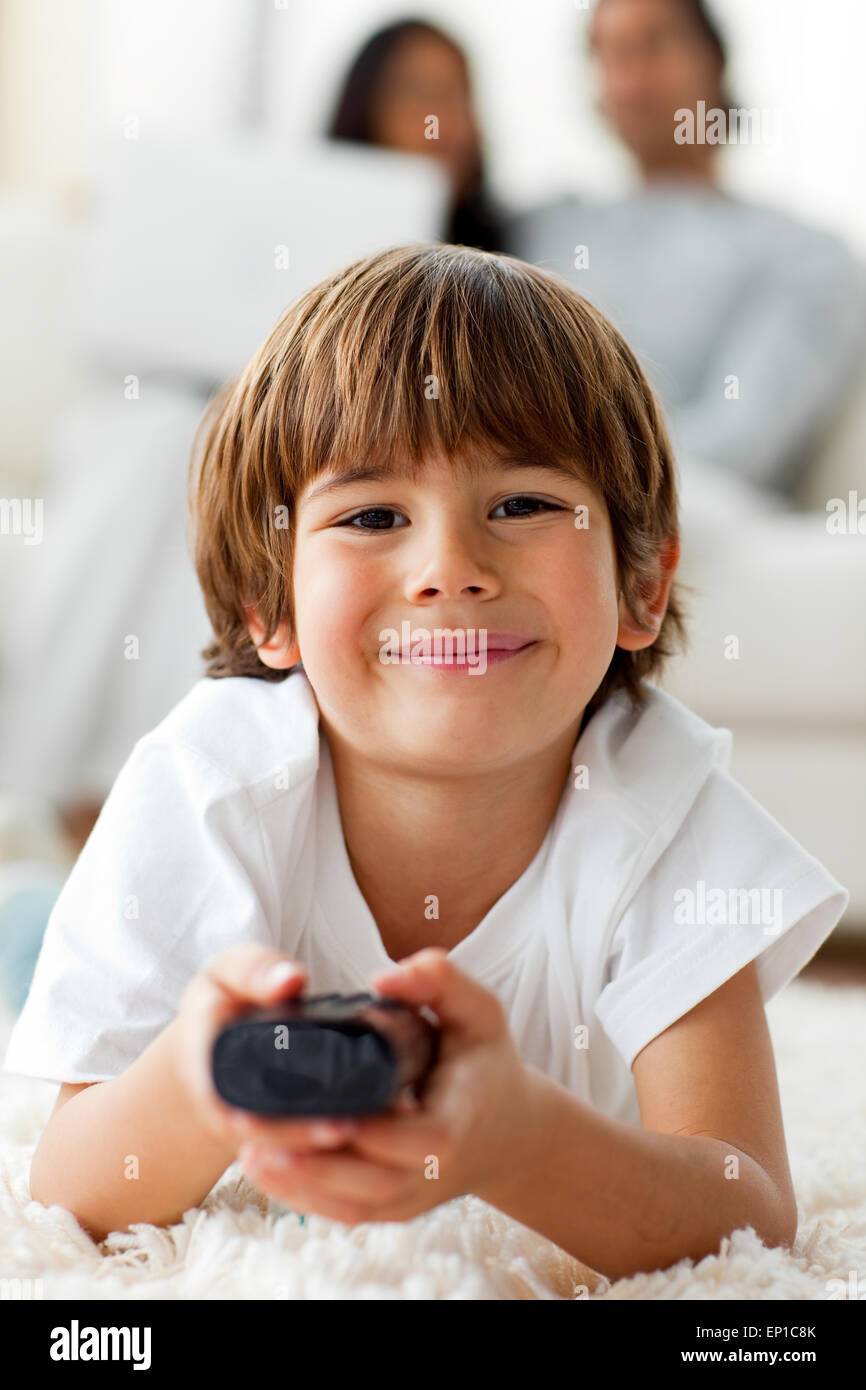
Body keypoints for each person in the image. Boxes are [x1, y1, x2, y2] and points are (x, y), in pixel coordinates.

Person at [3, 244, 847, 1278]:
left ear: (639, 582)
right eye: (371, 517)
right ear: (268, 604)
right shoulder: (207, 782)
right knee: (27, 943)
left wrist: (516, 1139)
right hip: (129, 914)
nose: (448, 568)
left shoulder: (664, 814)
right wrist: (196, 1075)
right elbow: (67, 1190)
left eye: (521, 506)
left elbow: (747, 1212)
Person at [506, 0, 866, 500]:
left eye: (653, 45)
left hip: (677, 506)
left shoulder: (803, 254)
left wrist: (553, 482)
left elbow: (740, 445)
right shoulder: (543, 226)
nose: (627, 77)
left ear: (714, 61)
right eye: (607, 54)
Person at [326, 18, 507, 252]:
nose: (448, 119)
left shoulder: (520, 246)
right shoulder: (317, 243)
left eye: (460, 94)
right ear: (365, 108)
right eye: (420, 93)